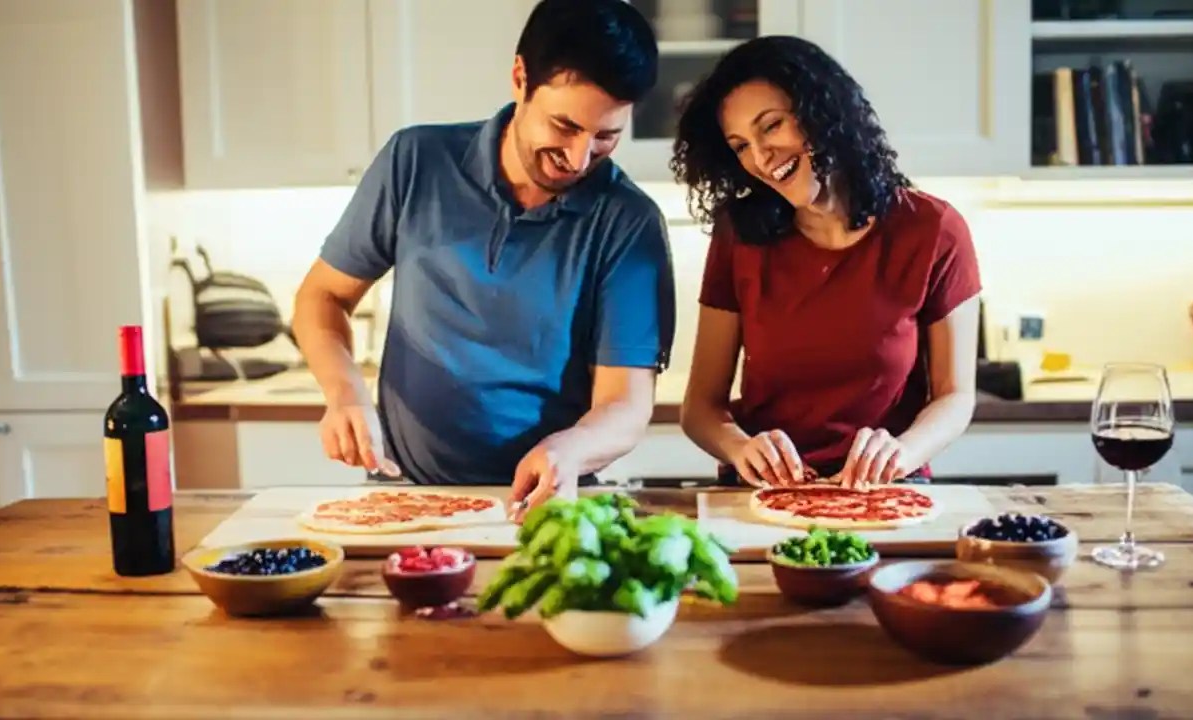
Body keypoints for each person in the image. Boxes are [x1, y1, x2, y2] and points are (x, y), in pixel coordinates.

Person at [292, 0, 674, 519]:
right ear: (520, 78)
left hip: (546, 505)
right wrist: (344, 393)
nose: (579, 158)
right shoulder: (415, 162)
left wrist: (569, 451)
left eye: (606, 136)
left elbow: (625, 405)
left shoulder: (628, 222)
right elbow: (323, 295)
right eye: (564, 126)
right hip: (408, 494)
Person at [670, 35, 981, 490]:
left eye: (772, 126)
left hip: (888, 490)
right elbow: (700, 408)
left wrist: (903, 452)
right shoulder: (738, 235)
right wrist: (740, 448)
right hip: (763, 495)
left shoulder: (934, 230)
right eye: (740, 145)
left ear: (824, 113)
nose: (759, 158)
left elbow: (956, 396)